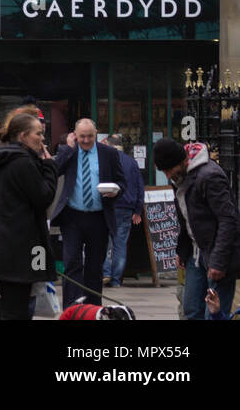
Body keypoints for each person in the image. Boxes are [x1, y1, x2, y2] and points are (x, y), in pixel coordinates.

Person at [0, 112, 58, 319]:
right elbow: (44, 197)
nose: (41, 139)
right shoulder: (23, 163)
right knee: (16, 310)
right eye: (37, 134)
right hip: (20, 252)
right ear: (22, 136)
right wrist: (49, 167)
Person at [153, 137, 240, 320]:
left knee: (213, 313)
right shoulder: (179, 177)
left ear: (184, 160)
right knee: (191, 309)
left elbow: (228, 220)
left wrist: (218, 261)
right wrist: (182, 250)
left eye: (170, 170)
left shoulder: (209, 176)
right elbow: (186, 217)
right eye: (164, 171)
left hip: (217, 254)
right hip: (195, 253)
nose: (168, 175)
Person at [52, 119, 125, 306]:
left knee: (95, 268)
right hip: (73, 216)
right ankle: (71, 309)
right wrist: (68, 149)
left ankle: (93, 310)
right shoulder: (68, 151)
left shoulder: (108, 153)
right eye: (82, 136)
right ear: (74, 135)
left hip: (99, 217)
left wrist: (116, 190)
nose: (85, 140)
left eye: (90, 136)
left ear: (96, 134)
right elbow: (54, 171)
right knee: (71, 264)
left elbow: (122, 182)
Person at [102, 134, 145, 288]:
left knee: (104, 241)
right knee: (120, 244)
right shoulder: (132, 162)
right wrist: (138, 210)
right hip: (126, 208)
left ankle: (106, 273)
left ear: (108, 144)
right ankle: (115, 279)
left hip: (108, 205)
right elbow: (140, 186)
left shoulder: (106, 160)